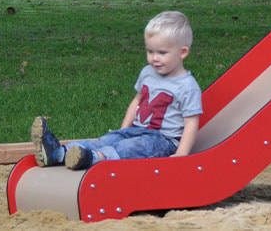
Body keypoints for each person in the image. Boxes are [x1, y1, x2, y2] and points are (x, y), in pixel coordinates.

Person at [31, 11, 202, 169]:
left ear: (183, 52)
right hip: (135, 130)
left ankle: (94, 158)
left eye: (162, 53)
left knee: (133, 147)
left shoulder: (187, 86)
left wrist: (181, 154)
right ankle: (59, 153)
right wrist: (124, 130)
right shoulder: (148, 73)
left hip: (164, 141)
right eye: (150, 51)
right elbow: (137, 101)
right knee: (108, 140)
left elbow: (191, 123)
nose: (154, 58)